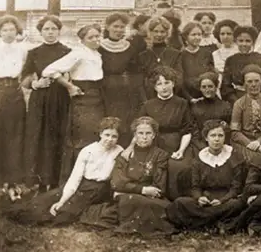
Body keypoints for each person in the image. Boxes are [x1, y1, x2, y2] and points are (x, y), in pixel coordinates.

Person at [6, 117, 123, 226]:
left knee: (62, 213)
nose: (109, 139)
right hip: (82, 184)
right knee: (48, 199)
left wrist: (62, 204)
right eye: (107, 135)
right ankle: (18, 209)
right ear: (100, 133)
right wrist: (62, 200)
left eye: (114, 136)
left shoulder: (119, 151)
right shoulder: (88, 151)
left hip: (99, 190)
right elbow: (75, 178)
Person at [86, 116, 175, 236]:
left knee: (144, 204)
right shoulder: (124, 155)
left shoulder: (160, 155)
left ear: (154, 135)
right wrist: (142, 189)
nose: (144, 137)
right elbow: (117, 183)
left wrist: (127, 190)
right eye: (140, 133)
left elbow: (158, 187)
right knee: (125, 202)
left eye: (148, 133)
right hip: (132, 197)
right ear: (135, 135)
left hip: (148, 199)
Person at [42, 24, 106, 184]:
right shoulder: (78, 53)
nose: (95, 40)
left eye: (97, 36)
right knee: (82, 138)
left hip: (97, 97)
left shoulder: (96, 53)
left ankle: (92, 177)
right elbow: (49, 70)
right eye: (90, 37)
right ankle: (75, 180)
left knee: (95, 136)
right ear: (82, 40)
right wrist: (69, 86)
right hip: (83, 98)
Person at [166, 120, 246, 232]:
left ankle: (201, 223)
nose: (217, 139)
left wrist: (222, 200)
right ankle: (218, 223)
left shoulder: (234, 157)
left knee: (237, 204)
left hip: (226, 200)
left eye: (220, 136)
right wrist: (199, 197)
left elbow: (236, 188)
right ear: (206, 138)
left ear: (224, 138)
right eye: (213, 135)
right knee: (180, 202)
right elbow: (195, 186)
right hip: (206, 201)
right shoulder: (198, 160)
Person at [21, 15, 72, 189]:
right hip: (40, 99)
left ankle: (57, 180)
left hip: (60, 98)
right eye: (46, 29)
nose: (50, 32)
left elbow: (72, 75)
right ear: (41, 32)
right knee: (40, 136)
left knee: (58, 135)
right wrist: (36, 83)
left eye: (53, 29)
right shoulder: (33, 53)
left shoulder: (67, 51)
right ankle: (41, 181)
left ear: (59, 31)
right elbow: (25, 79)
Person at [0, 15, 28, 197]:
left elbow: (25, 71)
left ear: (17, 32)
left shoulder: (23, 50)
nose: (9, 33)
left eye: (12, 29)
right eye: (5, 30)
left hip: (15, 93)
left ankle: (13, 182)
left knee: (15, 136)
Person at [138, 66, 195, 199]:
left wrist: (181, 150)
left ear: (173, 83)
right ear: (154, 87)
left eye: (167, 82)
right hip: (154, 144)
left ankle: (177, 201)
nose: (164, 87)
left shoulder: (182, 103)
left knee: (179, 167)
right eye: (159, 84)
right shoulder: (148, 105)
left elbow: (187, 130)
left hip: (177, 143)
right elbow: (140, 129)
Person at [99, 12, 147, 148]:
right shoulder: (100, 48)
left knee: (125, 124)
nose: (119, 30)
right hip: (106, 91)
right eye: (115, 26)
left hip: (126, 92)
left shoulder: (130, 48)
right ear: (107, 27)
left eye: (122, 27)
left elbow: (136, 71)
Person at [230, 65, 261, 161]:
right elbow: (235, 132)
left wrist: (259, 142)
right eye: (249, 82)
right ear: (244, 84)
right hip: (244, 143)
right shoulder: (239, 104)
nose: (253, 84)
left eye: (256, 81)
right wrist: (249, 143)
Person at [221, 25, 261, 105]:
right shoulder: (231, 60)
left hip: (259, 99)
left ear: (253, 42)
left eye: (248, 41)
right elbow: (226, 85)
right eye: (241, 41)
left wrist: (258, 99)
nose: (244, 44)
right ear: (236, 41)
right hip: (237, 99)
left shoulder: (260, 58)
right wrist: (236, 101)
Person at [138, 16, 183, 99]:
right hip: (149, 97)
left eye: (162, 32)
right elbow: (141, 81)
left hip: (171, 96)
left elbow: (178, 79)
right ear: (150, 33)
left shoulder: (175, 54)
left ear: (167, 33)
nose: (159, 34)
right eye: (156, 31)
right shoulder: (143, 56)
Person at [189, 72, 233, 156]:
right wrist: (203, 148)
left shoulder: (225, 106)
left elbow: (228, 129)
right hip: (200, 145)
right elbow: (194, 132)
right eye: (204, 87)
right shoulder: (196, 107)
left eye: (210, 86)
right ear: (200, 88)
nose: (207, 89)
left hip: (221, 145)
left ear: (216, 87)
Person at [180, 21, 216, 100]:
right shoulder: (181, 55)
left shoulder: (207, 53)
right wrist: (190, 98)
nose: (197, 37)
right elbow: (181, 81)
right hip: (189, 97)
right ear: (186, 36)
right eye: (193, 35)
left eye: (199, 34)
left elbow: (212, 74)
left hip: (207, 95)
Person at [212, 19, 239, 89]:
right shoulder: (214, 54)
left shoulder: (239, 52)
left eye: (229, 34)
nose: (225, 37)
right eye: (222, 34)